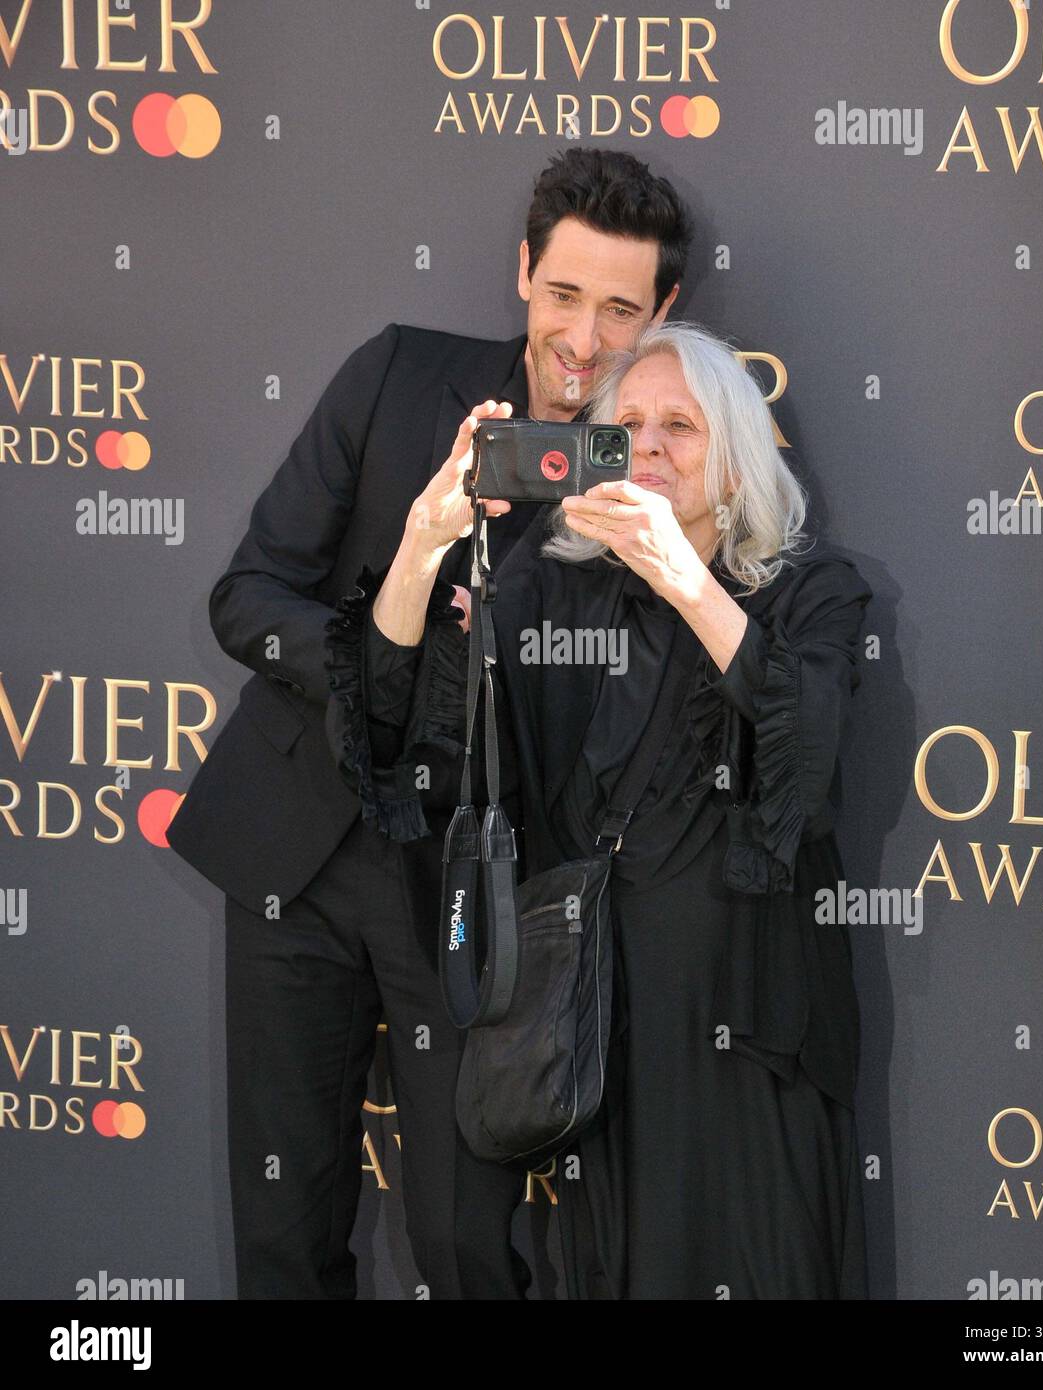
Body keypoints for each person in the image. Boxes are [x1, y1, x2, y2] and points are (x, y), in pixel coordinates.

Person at [164, 147, 695, 1298]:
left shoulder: (656, 477)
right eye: (563, 295)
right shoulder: (399, 377)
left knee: (467, 1243)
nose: (584, 340)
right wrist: (384, 629)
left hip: (477, 893)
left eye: (618, 309)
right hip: (298, 855)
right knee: (283, 1221)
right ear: (520, 273)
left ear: (662, 310)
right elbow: (245, 597)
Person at [326, 319, 875, 1299]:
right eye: (625, 426)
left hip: (743, 1044)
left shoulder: (808, 592)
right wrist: (424, 538)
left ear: (738, 460)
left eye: (681, 426)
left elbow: (811, 760)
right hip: (589, 1043)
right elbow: (395, 735)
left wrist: (678, 571)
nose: (651, 446)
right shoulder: (552, 592)